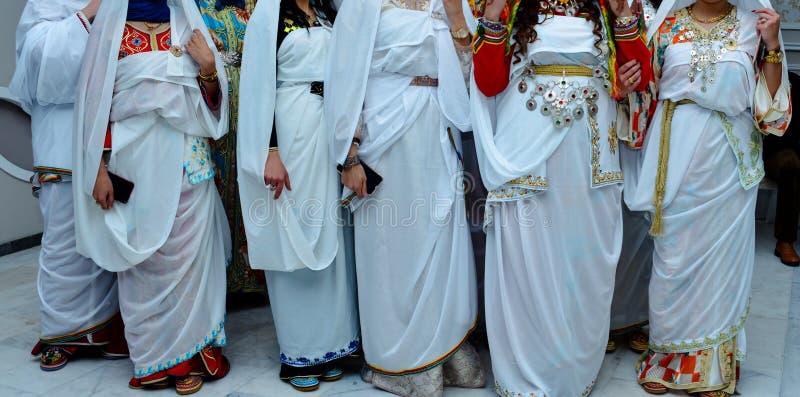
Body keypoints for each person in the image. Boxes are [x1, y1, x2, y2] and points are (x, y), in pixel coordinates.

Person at [470, 0, 652, 395]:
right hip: (527, 150)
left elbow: (640, 72)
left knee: (583, 255)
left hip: (588, 154)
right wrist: (492, 15)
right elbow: (488, 82)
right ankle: (528, 372)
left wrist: (623, 23)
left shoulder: (606, 5)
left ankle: (571, 367)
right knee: (530, 254)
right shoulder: (514, 5)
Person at [626, 0, 792, 395]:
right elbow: (643, 93)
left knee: (721, 265)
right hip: (676, 153)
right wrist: (628, 78)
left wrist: (771, 44)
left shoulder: (754, 25)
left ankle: (713, 368)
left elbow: (770, 109)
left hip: (728, 161)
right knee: (673, 258)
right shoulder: (666, 26)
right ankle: (666, 358)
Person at [73, 0, 233, 394]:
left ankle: (192, 353)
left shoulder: (186, 26)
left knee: (190, 257)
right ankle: (155, 356)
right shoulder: (110, 31)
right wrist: (96, 170)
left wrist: (209, 70)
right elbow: (94, 107)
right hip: (134, 164)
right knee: (145, 261)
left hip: (185, 161)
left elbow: (212, 100)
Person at [326, 0, 484, 396]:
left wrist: (456, 20)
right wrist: (349, 155)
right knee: (392, 249)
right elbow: (346, 79)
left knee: (443, 241)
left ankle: (447, 349)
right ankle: (400, 361)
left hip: (438, 127)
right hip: (385, 138)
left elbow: (471, 74)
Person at [237, 0, 360, 392]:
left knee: (333, 236)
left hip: (329, 131)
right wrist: (269, 152)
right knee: (296, 233)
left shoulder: (328, 12)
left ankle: (335, 346)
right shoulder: (269, 14)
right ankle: (300, 351)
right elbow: (257, 87)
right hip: (291, 131)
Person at [9, 0, 127, 372]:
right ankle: (63, 332)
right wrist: (88, 15)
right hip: (64, 135)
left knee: (116, 233)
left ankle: (113, 329)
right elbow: (36, 62)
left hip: (118, 131)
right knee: (64, 240)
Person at [196, 0, 268, 297]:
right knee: (218, 185)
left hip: (258, 100)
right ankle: (221, 281)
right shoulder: (194, 6)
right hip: (214, 107)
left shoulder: (258, 4)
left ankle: (259, 277)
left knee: (257, 183)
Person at [608, 0, 658, 355]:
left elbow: (649, 66)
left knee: (640, 225)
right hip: (601, 121)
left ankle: (636, 317)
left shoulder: (649, 7)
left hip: (644, 127)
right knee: (606, 224)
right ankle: (604, 319)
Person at [764, 71, 800, 267]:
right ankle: (785, 241)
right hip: (775, 152)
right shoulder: (787, 82)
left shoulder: (794, 81)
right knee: (790, 163)